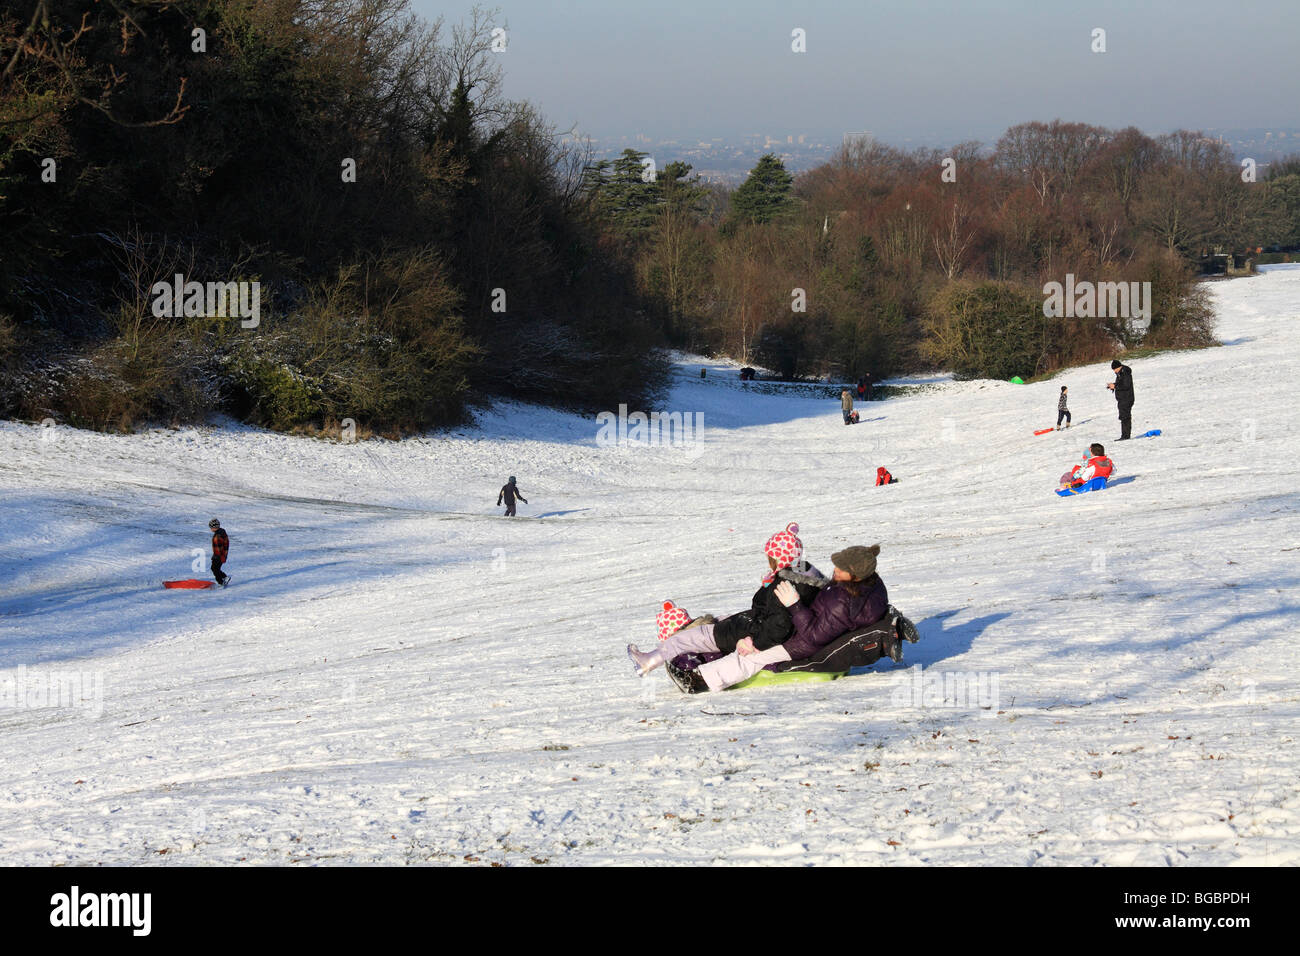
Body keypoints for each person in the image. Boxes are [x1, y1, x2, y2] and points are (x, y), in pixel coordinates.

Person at [667, 544, 896, 693]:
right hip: (808, 627)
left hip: (800, 643)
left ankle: (699, 682)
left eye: (841, 568)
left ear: (855, 575)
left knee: (752, 656)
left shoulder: (843, 602)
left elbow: (813, 636)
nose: (835, 569)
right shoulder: (867, 587)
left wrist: (795, 604)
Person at [627, 522, 824, 677]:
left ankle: (649, 661)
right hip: (754, 625)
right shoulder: (804, 576)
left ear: (777, 557)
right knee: (720, 620)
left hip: (751, 633)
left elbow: (779, 624)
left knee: (694, 636)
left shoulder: (784, 585)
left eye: (770, 556)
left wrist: (753, 643)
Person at [1107, 360, 1134, 440]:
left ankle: (1125, 436)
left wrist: (1115, 386)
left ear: (1118, 367)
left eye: (1115, 369)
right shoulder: (1120, 373)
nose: (1114, 371)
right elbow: (1121, 384)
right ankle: (1125, 435)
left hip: (1126, 398)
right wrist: (1113, 386)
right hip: (1122, 399)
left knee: (1125, 417)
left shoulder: (1125, 373)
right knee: (1123, 416)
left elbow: (1126, 385)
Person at [209, 518, 230, 587]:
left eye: (211, 527)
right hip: (220, 555)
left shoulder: (217, 536)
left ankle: (221, 582)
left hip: (219, 556)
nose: (210, 529)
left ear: (215, 527)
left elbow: (219, 548)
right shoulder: (222, 532)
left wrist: (220, 557)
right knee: (215, 568)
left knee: (215, 569)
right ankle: (225, 577)